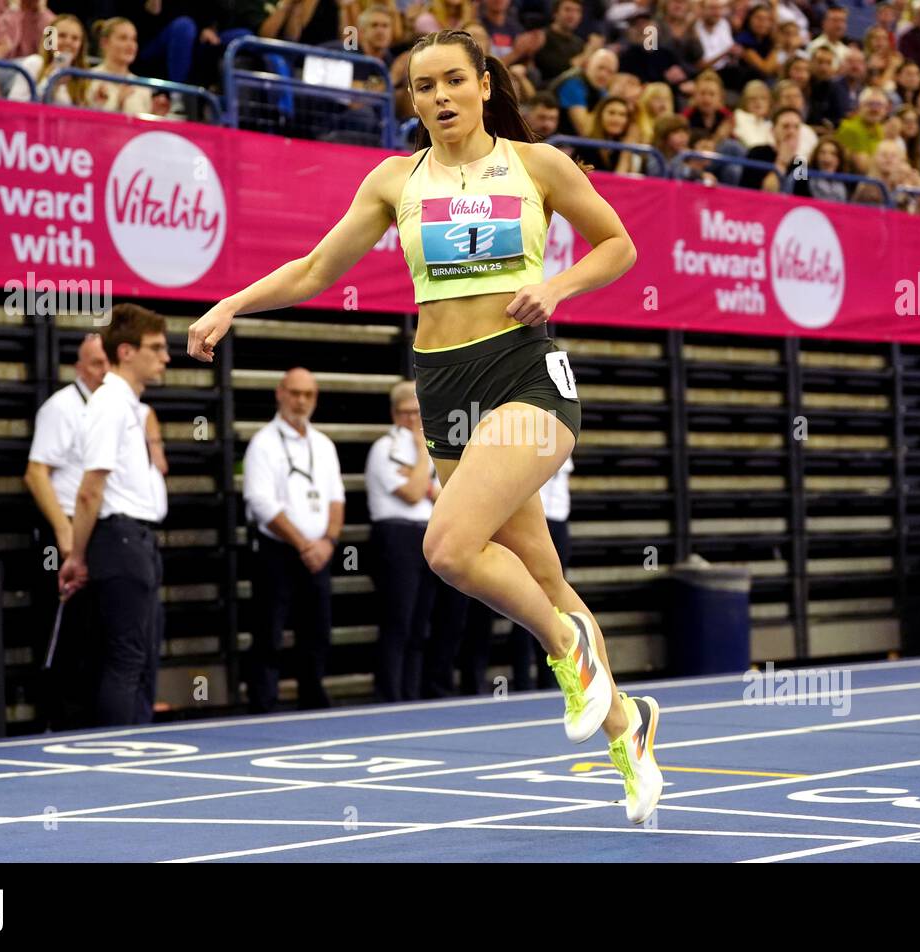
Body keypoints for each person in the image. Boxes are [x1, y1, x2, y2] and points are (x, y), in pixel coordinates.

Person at [186, 28, 663, 824]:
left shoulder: (536, 164)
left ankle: (568, 651)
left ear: (483, 84)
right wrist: (231, 303)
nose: (436, 97)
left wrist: (561, 286)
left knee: (446, 548)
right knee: (542, 580)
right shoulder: (392, 181)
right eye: (419, 86)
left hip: (524, 374)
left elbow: (619, 244)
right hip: (444, 389)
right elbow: (313, 270)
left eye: (451, 81)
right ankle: (628, 729)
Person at [58, 305, 170, 727]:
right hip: (119, 537)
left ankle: (138, 741)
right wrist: (77, 555)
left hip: (136, 539)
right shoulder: (109, 404)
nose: (165, 357)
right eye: (156, 348)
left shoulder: (130, 406)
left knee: (139, 654)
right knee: (126, 656)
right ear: (126, 351)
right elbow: (90, 491)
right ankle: (119, 750)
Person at [242, 369, 346, 712]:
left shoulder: (324, 445)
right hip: (278, 551)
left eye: (308, 395)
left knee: (317, 631)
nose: (301, 401)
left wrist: (328, 541)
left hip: (319, 551)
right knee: (269, 630)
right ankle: (263, 702)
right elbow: (261, 502)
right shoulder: (264, 443)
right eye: (295, 393)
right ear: (280, 393)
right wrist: (303, 544)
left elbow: (336, 498)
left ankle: (312, 698)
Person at [24, 334, 107, 730]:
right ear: (78, 367)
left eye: (107, 362)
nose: (102, 371)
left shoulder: (113, 408)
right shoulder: (61, 408)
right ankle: (52, 720)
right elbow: (36, 472)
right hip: (67, 532)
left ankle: (89, 717)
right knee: (61, 627)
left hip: (98, 531)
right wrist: (64, 530)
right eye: (95, 363)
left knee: (96, 628)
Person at [364, 381, 441, 703]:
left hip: (427, 532)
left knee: (421, 622)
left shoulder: (432, 447)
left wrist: (422, 473)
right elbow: (412, 494)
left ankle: (413, 693)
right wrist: (422, 453)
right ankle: (390, 695)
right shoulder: (386, 448)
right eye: (408, 413)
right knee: (398, 619)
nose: (414, 420)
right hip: (396, 535)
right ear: (396, 414)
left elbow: (442, 494)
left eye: (419, 413)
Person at [508, 454, 571, 690]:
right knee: (527, 603)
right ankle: (523, 679)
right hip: (533, 521)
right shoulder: (526, 431)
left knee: (554, 601)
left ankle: (552, 677)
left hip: (558, 519)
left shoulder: (561, 432)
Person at [8, 12, 88, 104]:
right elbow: (15, 104)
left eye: (75, 38)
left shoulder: (83, 76)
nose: (68, 42)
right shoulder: (34, 63)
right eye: (62, 35)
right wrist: (52, 80)